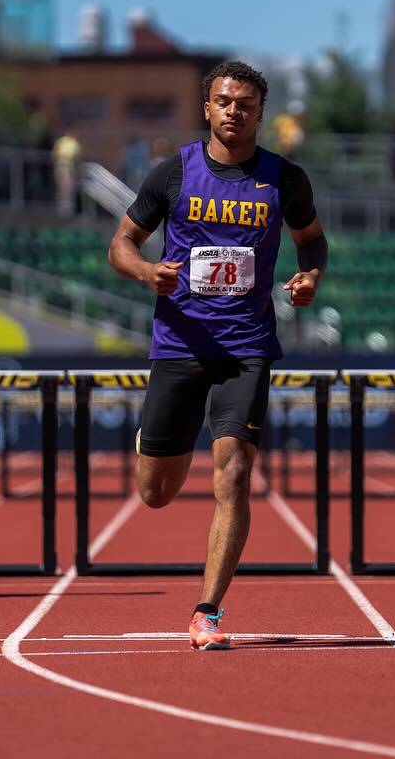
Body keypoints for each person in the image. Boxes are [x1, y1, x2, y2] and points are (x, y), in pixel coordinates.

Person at [107, 60, 326, 650]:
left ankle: (207, 611)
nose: (235, 111)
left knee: (234, 473)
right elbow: (121, 243)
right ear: (207, 107)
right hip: (180, 343)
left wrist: (310, 276)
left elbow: (312, 241)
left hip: (246, 347)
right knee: (155, 493)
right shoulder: (173, 172)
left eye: (246, 104)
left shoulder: (285, 179)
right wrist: (146, 271)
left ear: (261, 113)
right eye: (225, 101)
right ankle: (154, 441)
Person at [52, 125, 82, 215]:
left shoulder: (74, 143)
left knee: (68, 188)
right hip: (62, 167)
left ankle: (67, 209)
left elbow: (77, 157)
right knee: (62, 188)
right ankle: (62, 209)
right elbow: (55, 154)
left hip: (69, 168)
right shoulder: (62, 141)